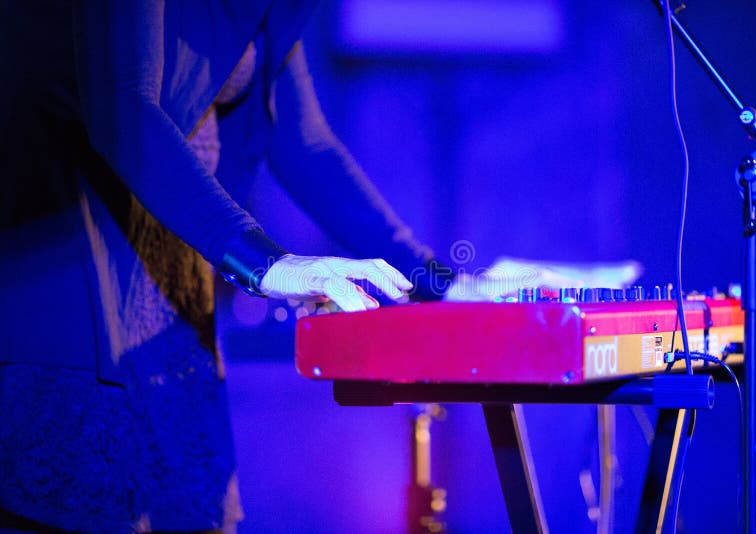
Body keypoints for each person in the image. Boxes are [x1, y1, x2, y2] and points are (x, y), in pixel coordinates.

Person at [0, 1, 452, 531]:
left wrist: (439, 280)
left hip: (172, 275)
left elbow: (305, 144)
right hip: (72, 260)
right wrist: (268, 264)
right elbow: (123, 109)